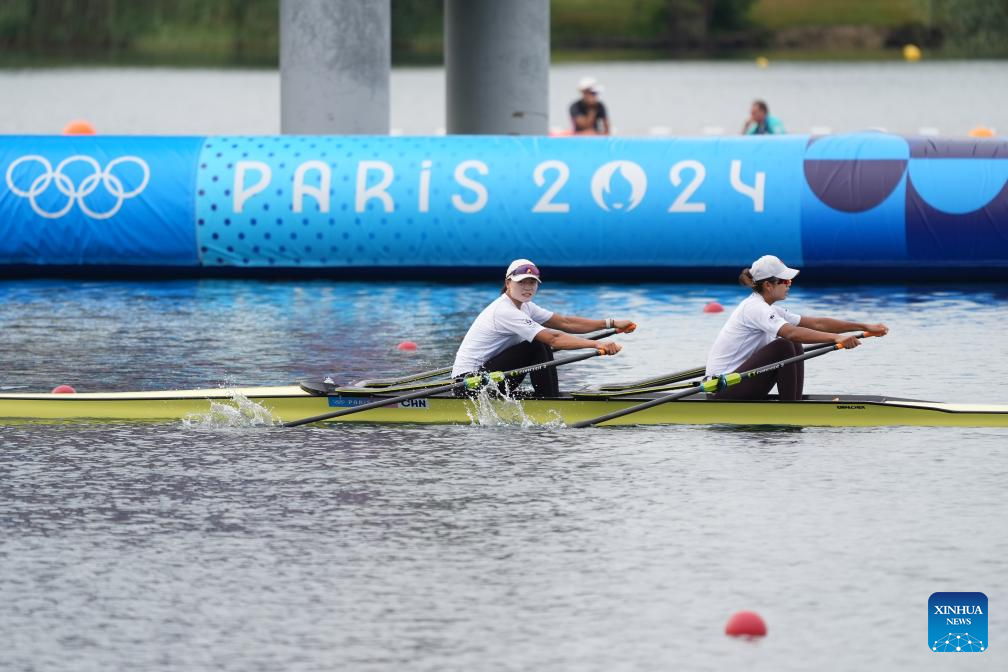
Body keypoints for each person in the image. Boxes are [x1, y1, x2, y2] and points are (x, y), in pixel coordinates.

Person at [705, 255, 888, 401]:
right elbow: (791, 333)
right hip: (721, 388)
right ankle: (791, 408)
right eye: (785, 281)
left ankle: (793, 402)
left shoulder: (769, 309)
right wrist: (836, 338)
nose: (789, 284)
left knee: (793, 344)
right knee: (785, 345)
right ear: (768, 285)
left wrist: (864, 326)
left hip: (739, 382)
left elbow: (817, 324)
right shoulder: (755, 308)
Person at [451, 259, 633, 398]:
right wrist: (597, 345)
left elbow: (566, 323)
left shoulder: (525, 306)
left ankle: (549, 396)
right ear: (508, 283)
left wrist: (611, 323)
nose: (527, 288)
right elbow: (554, 338)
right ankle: (549, 400)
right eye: (521, 282)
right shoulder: (504, 311)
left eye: (532, 282)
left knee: (539, 342)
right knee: (538, 343)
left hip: (491, 376)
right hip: (469, 385)